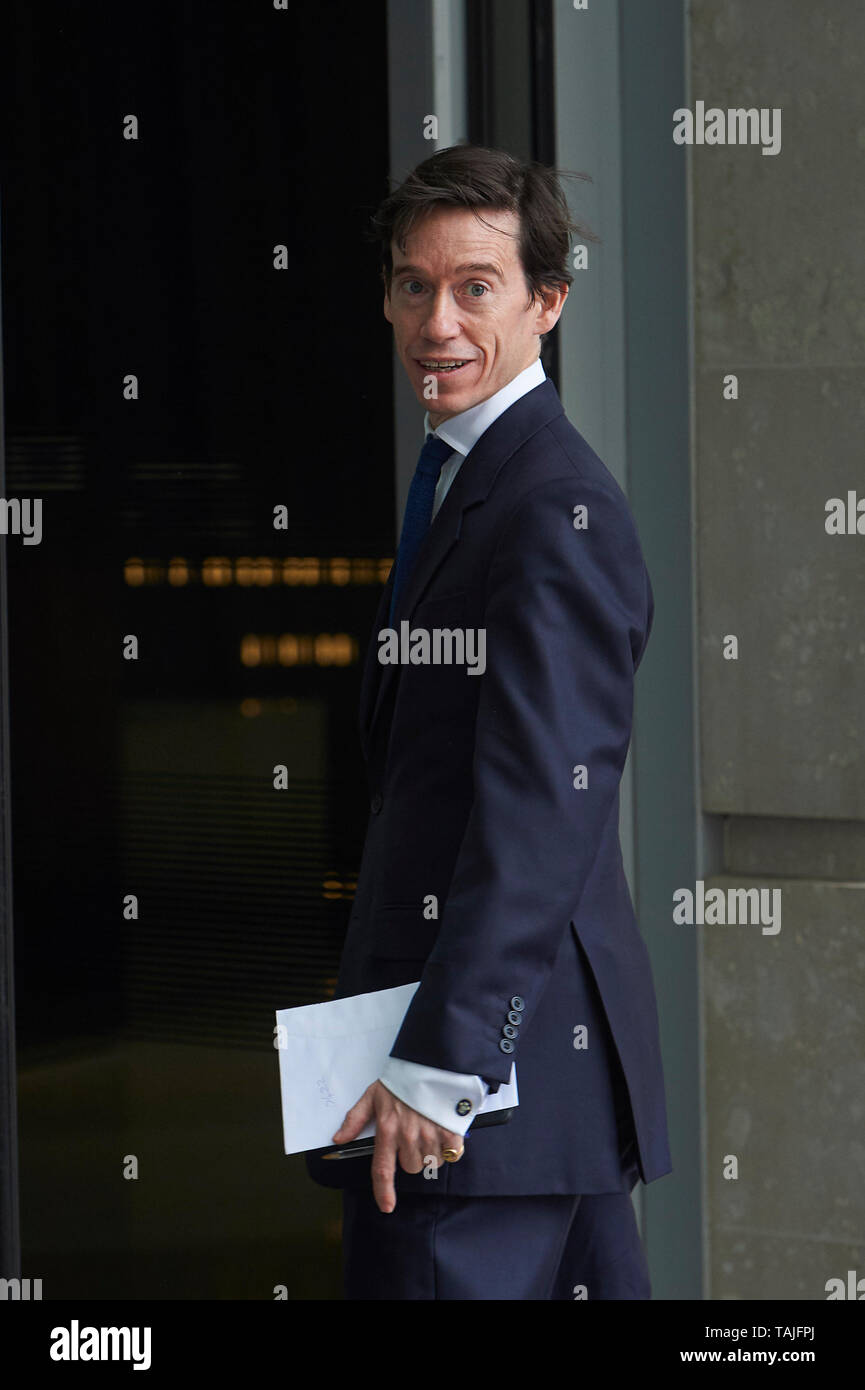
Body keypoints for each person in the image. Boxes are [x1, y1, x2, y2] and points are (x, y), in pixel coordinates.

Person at [305, 144, 671, 1300]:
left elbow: (538, 820)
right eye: (413, 285)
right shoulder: (471, 479)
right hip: (518, 1099)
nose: (437, 321)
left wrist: (439, 1065)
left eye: (475, 286)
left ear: (546, 303)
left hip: (480, 1101)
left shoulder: (548, 506)